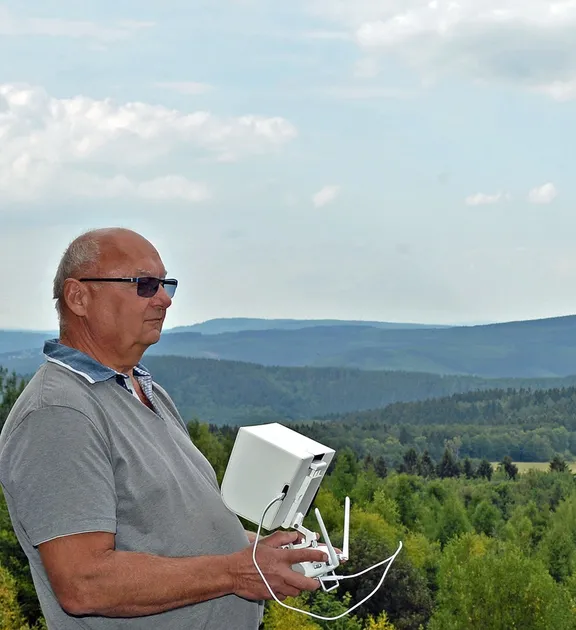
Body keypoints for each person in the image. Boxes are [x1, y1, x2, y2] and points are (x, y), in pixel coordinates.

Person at [0, 227, 329, 628]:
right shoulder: (58, 412)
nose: (165, 299)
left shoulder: (142, 389)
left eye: (165, 284)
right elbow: (84, 582)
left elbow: (165, 533)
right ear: (78, 297)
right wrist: (236, 571)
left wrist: (263, 552)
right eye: (144, 285)